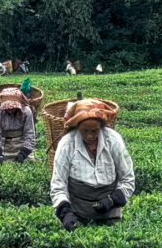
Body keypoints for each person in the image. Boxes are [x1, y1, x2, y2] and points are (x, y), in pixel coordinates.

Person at [50, 99, 135, 231]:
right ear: (77, 126)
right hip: (77, 215)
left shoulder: (113, 140)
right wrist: (65, 213)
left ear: (101, 126)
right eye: (85, 131)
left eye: (94, 131)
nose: (90, 136)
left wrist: (112, 200)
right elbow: (58, 184)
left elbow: (128, 178)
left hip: (110, 213)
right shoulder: (67, 144)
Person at [0, 87, 35, 164]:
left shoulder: (26, 111)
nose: (10, 109)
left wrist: (23, 153)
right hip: (3, 145)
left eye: (13, 107)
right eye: (7, 107)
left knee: (29, 162)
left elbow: (29, 134)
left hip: (20, 144)